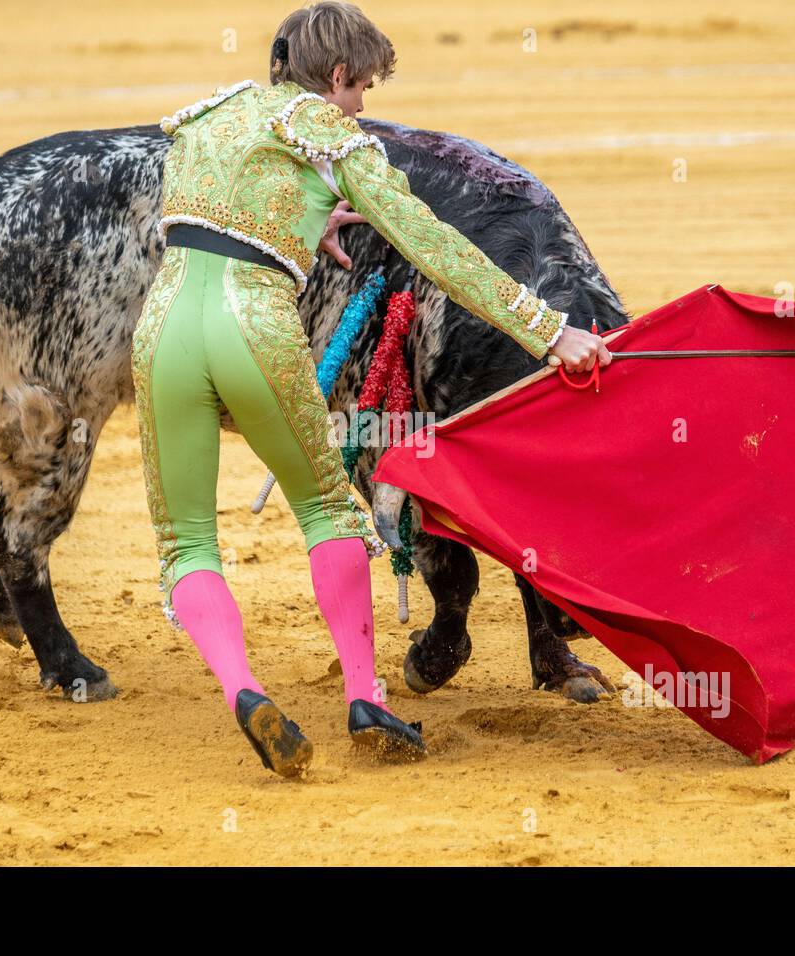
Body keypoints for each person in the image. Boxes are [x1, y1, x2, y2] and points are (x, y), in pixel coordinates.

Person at [133, 1, 611, 778]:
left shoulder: (210, 114)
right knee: (327, 511)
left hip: (162, 331)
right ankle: (365, 696)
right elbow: (434, 243)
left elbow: (197, 214)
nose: (364, 108)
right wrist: (550, 331)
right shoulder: (331, 133)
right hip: (250, 324)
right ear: (341, 77)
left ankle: (245, 693)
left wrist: (294, 224)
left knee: (187, 543)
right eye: (365, 90)